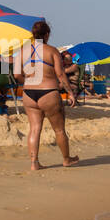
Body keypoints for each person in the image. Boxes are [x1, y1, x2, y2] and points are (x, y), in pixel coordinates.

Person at [17, 20, 78, 170]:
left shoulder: (22, 51)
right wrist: (70, 93)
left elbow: (16, 75)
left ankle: (34, 163)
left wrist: (29, 82)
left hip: (28, 94)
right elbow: (61, 74)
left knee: (34, 128)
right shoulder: (51, 51)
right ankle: (66, 159)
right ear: (47, 34)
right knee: (58, 129)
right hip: (48, 92)